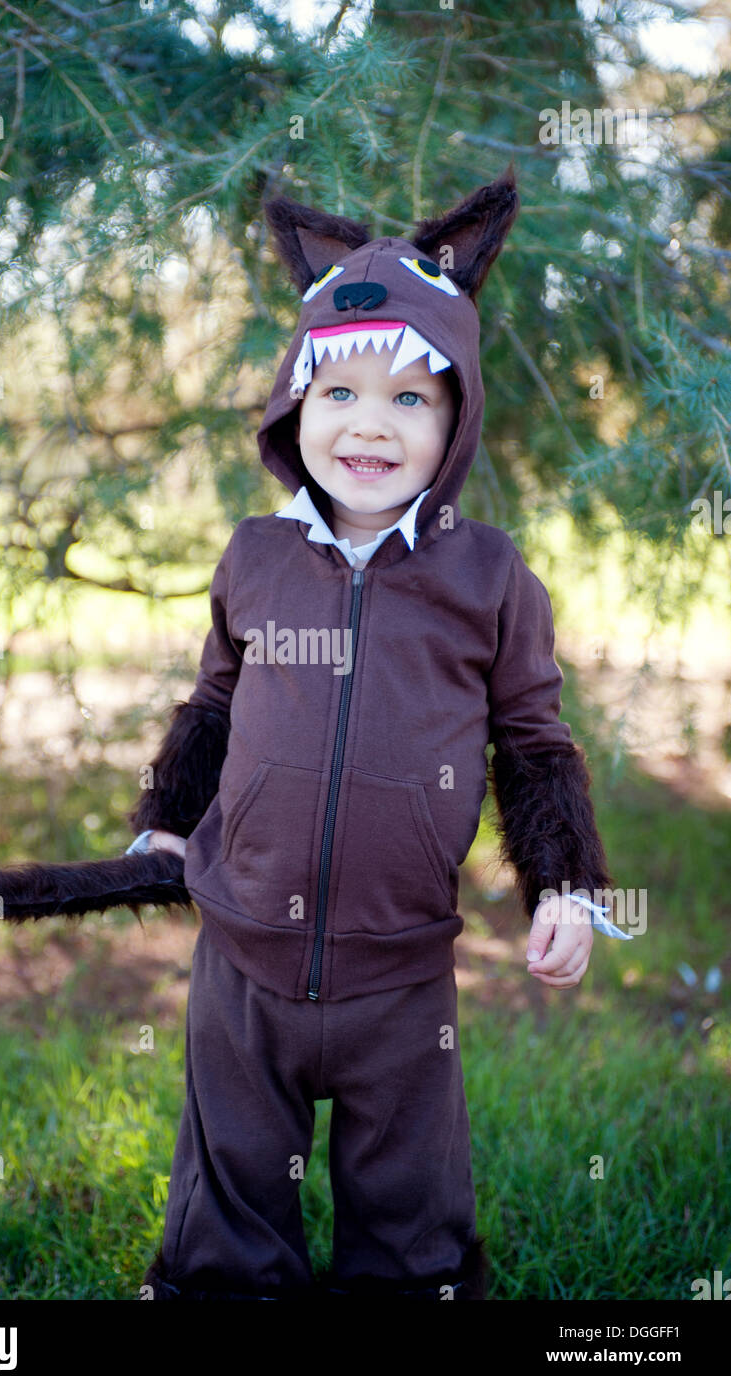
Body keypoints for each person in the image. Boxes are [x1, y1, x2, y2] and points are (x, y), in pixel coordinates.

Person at [132, 165, 624, 1301]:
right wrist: (164, 824)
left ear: (454, 422)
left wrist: (564, 886)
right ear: (292, 407)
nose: (369, 423)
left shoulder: (488, 577)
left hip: (403, 972)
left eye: (410, 398)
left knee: (409, 1206)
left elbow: (535, 742)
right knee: (230, 1180)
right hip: (242, 955)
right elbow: (211, 706)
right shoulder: (255, 557)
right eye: (338, 392)